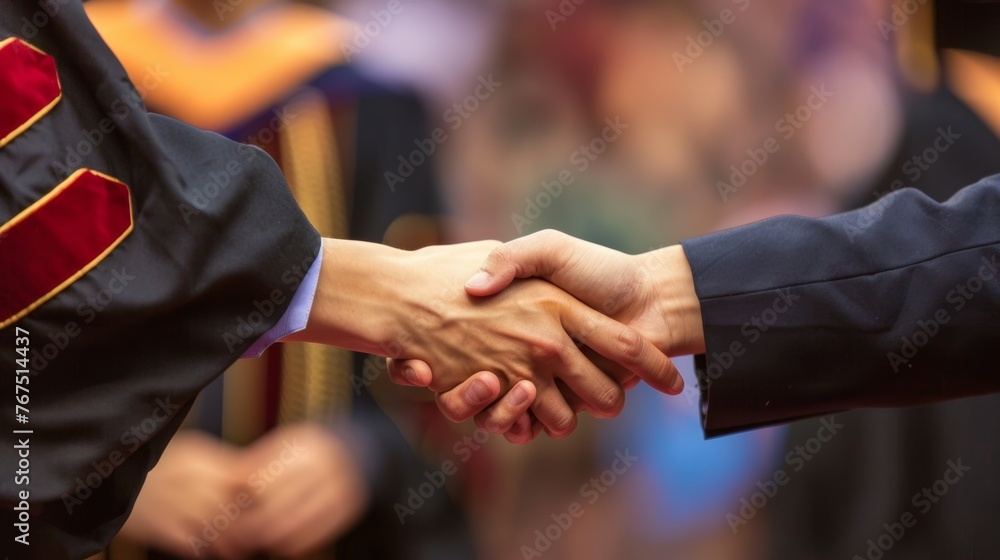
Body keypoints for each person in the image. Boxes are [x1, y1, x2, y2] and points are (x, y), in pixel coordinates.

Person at [0, 3, 678, 558]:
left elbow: (435, 367)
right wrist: (101, 473)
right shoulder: (61, 98)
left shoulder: (371, 106)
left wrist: (358, 457)